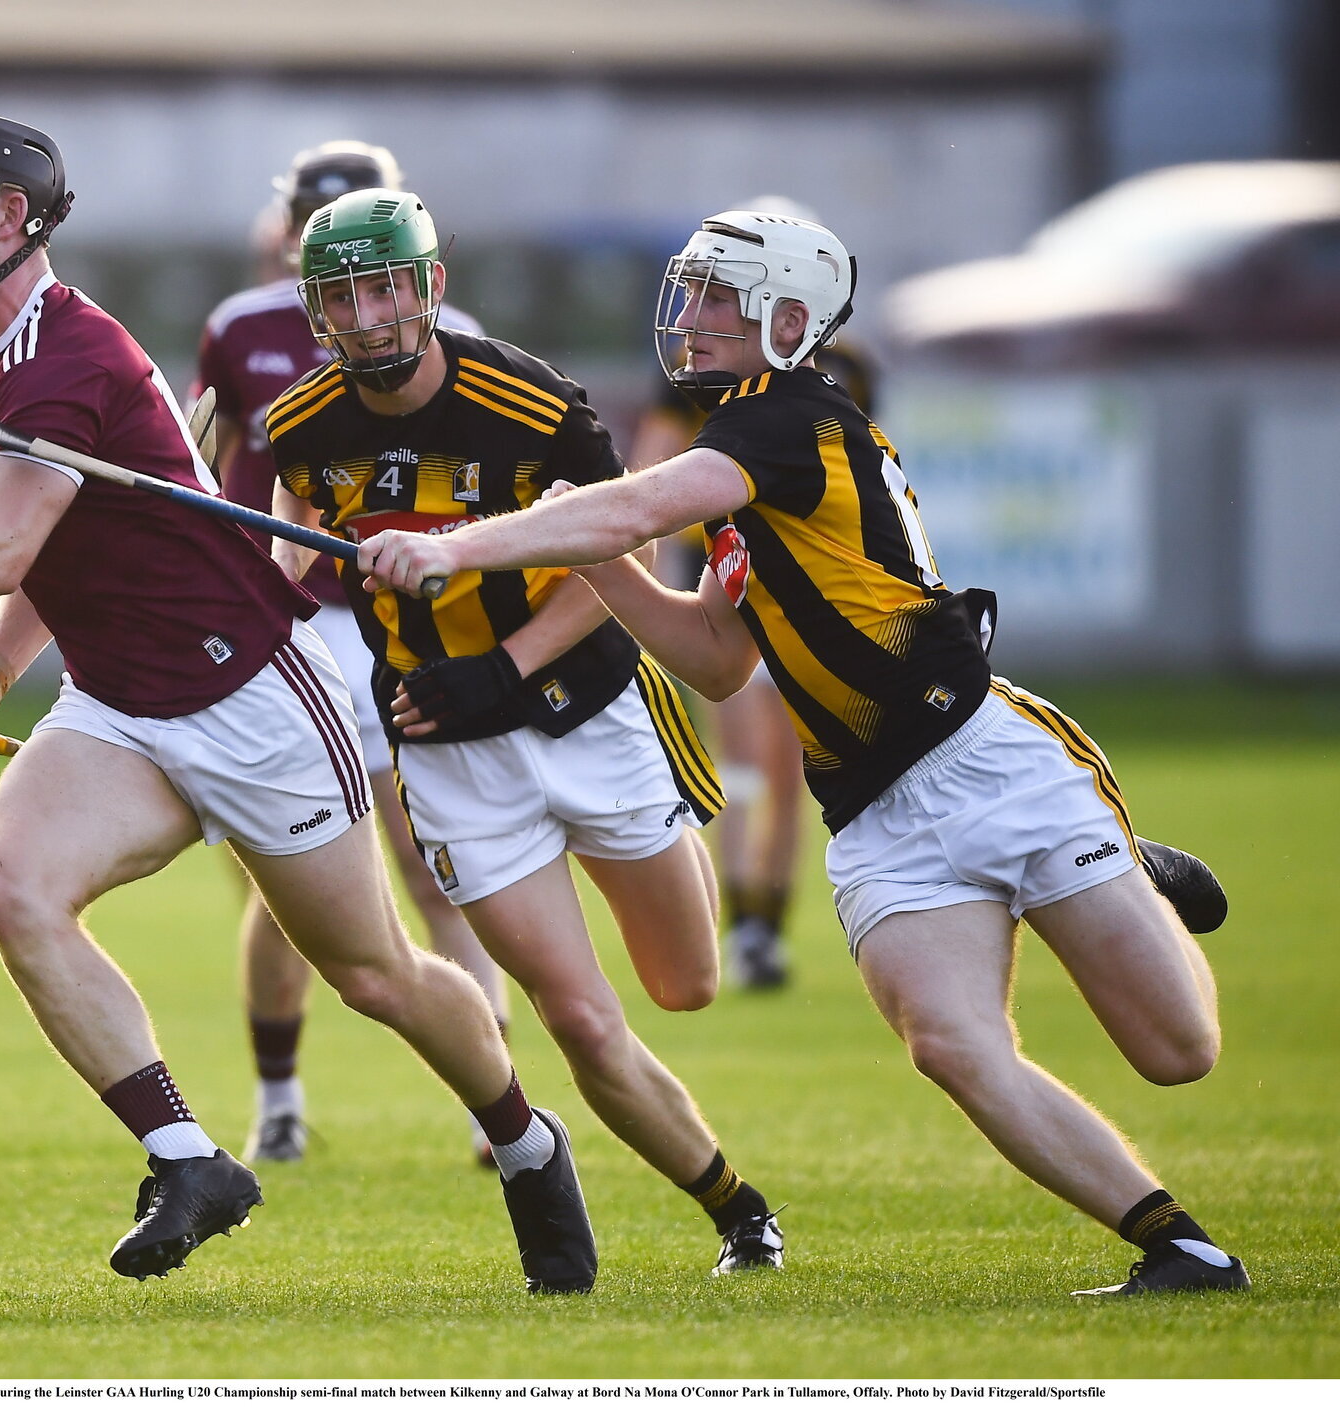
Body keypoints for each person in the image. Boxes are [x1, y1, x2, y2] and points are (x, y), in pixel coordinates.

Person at [0, 109, 596, 1293]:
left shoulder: (68, 358)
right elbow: (48, 559)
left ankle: (524, 1144)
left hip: (250, 697)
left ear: (14, 214)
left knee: (374, 978)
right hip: (118, 708)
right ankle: (187, 1158)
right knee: (11, 889)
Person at [356, 207, 1246, 1298]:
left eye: (720, 300)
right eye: (692, 293)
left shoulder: (787, 419)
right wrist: (597, 565)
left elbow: (632, 506)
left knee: (1176, 1050)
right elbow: (720, 659)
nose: (693, 318)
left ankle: (1125, 864)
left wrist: (457, 544)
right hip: (872, 812)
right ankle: (1177, 1245)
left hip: (978, 754)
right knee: (949, 1045)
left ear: (789, 316)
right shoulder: (735, 438)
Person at [268, 186, 785, 1275]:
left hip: (588, 711)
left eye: (381, 288)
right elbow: (292, 560)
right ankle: (735, 1207)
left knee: (682, 984)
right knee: (580, 1024)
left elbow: (614, 559)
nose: (362, 317)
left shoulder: (531, 402)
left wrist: (502, 668)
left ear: (427, 288)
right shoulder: (300, 425)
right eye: (338, 297)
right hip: (447, 750)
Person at [193, 140, 506, 1166]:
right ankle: (278, 1099)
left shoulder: (454, 337)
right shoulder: (239, 331)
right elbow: (193, 468)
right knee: (297, 878)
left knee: (432, 864)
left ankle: (487, 1092)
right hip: (282, 624)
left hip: (409, 629)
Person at [630, 197, 879, 989]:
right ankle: (746, 927)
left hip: (812, 602)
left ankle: (764, 925)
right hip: (736, 586)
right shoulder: (709, 373)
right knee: (745, 766)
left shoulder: (837, 383)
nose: (699, 315)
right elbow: (651, 476)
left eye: (722, 292)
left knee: (792, 769)